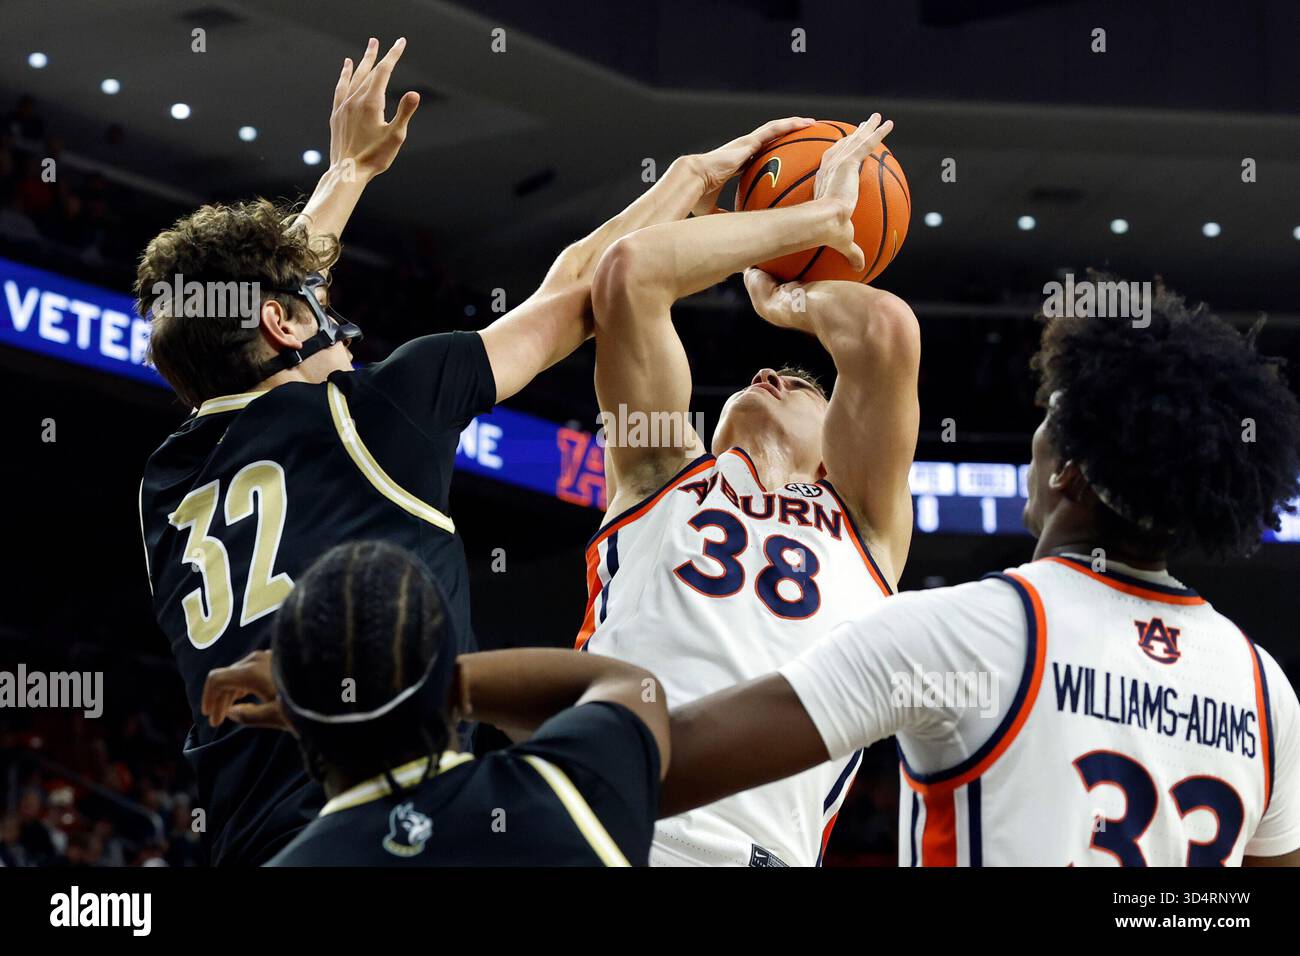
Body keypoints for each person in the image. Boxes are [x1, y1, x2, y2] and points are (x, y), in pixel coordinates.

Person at [136, 36, 778, 865]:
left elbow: (242, 318)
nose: (341, 323)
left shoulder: (165, 484)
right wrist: (690, 182)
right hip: (398, 827)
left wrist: (347, 178)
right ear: (284, 325)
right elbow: (580, 290)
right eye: (320, 307)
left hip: (256, 845)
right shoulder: (379, 411)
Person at [662, 280, 1300, 866]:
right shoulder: (1265, 692)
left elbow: (667, 763)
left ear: (1065, 470)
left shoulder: (966, 631)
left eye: (1052, 412)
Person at [575, 115, 920, 866]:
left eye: (801, 382)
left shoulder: (866, 525)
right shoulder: (658, 470)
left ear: (839, 448)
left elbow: (885, 329)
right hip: (604, 822)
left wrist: (786, 301)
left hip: (757, 851)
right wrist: (777, 229)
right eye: (770, 370)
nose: (773, 374)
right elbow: (629, 274)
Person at [201, 541, 668, 866]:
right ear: (456, 678)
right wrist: (436, 677)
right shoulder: (567, 792)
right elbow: (628, 685)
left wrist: (317, 697)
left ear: (295, 721)